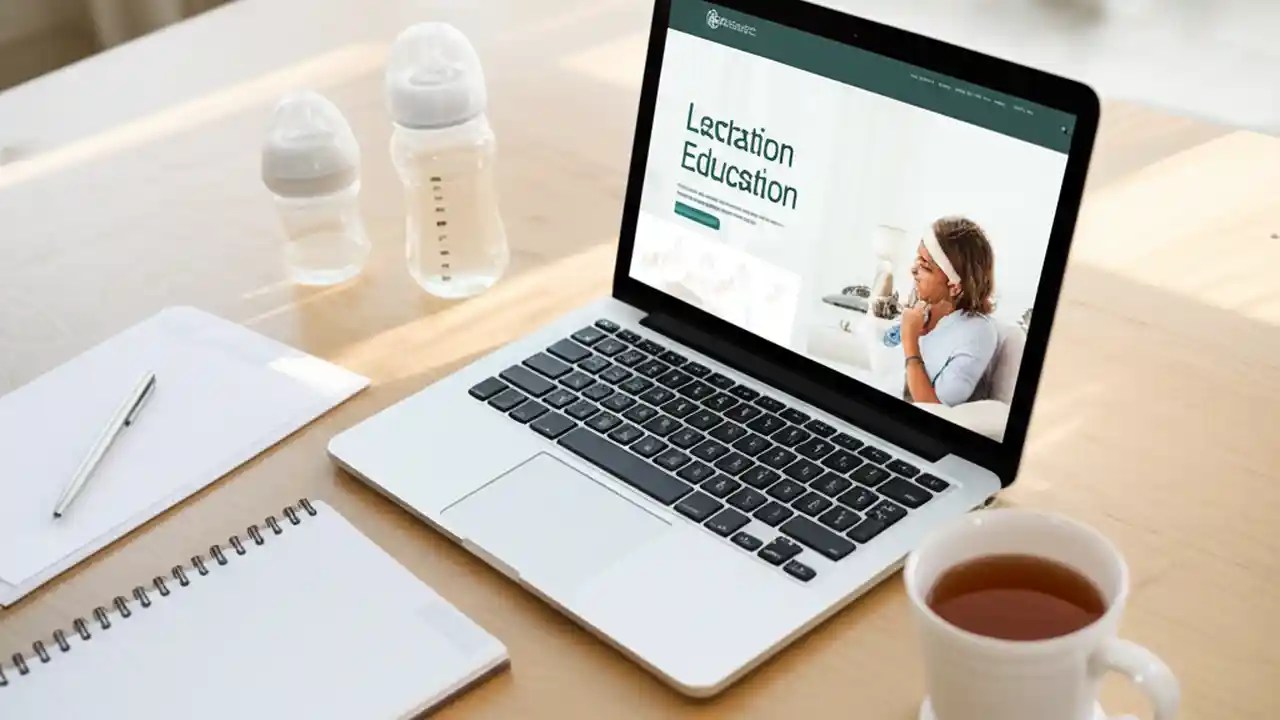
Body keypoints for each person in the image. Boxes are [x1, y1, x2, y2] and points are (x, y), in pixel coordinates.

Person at [900, 216, 998, 406]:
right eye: (917, 258)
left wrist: (910, 342)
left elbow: (934, 408)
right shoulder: (922, 305)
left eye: (925, 265)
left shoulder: (977, 333)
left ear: (954, 287)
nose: (913, 269)